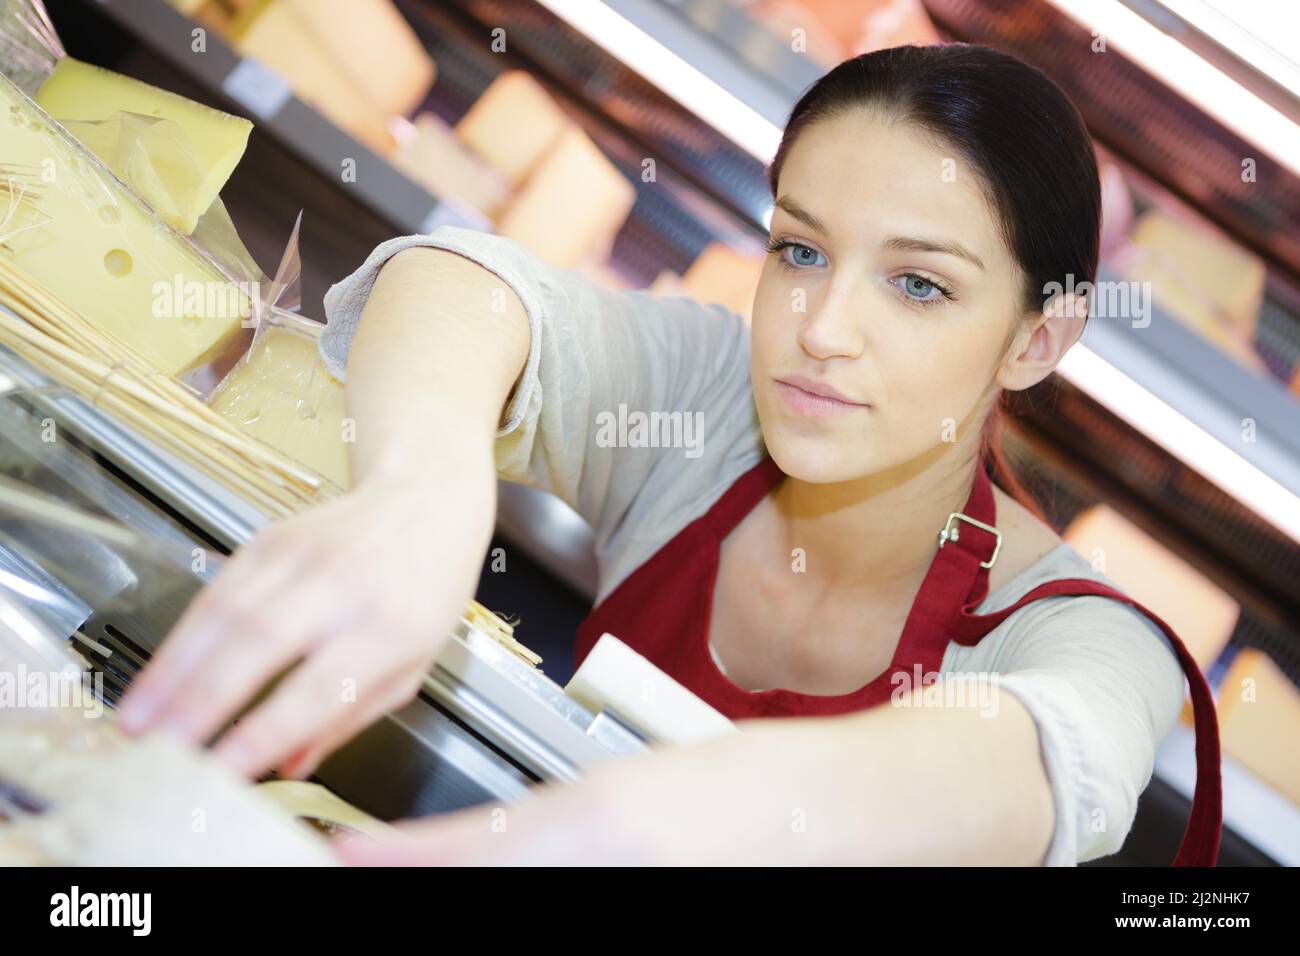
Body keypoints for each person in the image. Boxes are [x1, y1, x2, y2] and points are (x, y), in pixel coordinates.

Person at [117, 43, 1221, 865]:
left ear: (1036, 340)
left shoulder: (1083, 635)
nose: (822, 329)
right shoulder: (715, 403)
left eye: (919, 284)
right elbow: (462, 282)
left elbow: (1029, 759)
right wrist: (423, 495)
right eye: (800, 251)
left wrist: (657, 815)